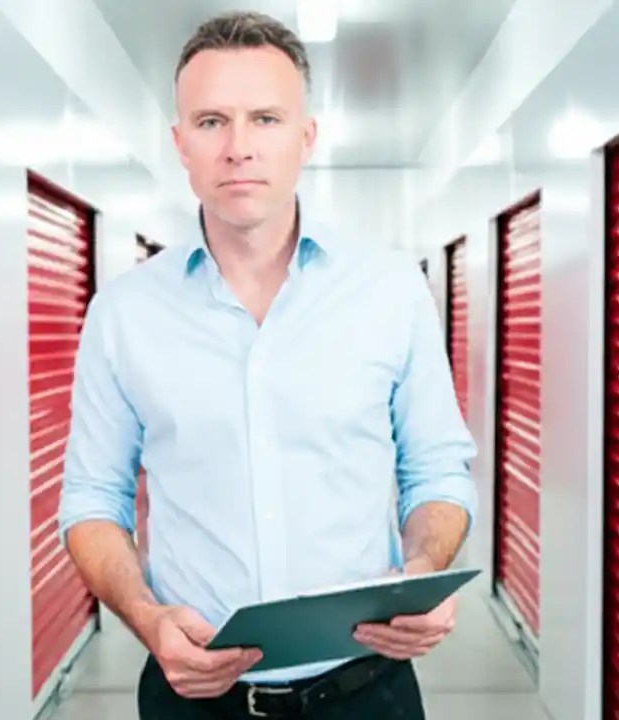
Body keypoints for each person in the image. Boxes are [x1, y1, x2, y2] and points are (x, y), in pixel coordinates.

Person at [58, 10, 478, 719]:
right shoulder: (124, 314)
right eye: (211, 121)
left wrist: (422, 571)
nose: (239, 148)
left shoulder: (390, 291)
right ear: (180, 143)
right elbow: (94, 500)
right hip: (194, 699)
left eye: (266, 119)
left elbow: (436, 471)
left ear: (306, 137)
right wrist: (147, 618)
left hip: (368, 694)